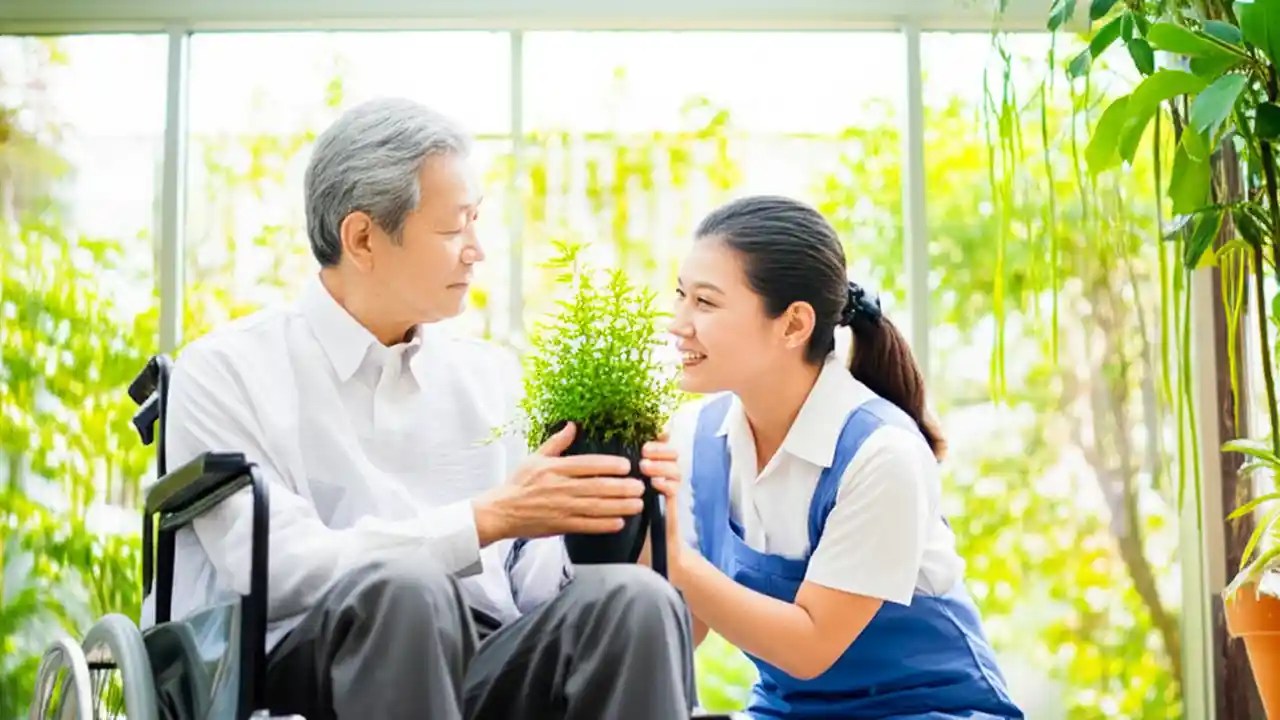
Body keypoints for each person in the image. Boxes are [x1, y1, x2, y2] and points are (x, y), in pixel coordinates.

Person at [150, 97, 695, 720]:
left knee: (631, 601)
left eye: (476, 221)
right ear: (362, 238)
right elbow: (276, 569)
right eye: (452, 227)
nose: (476, 250)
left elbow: (533, 584)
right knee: (404, 590)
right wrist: (486, 519)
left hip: (486, 658)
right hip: (307, 666)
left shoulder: (491, 375)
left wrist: (616, 514)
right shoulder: (225, 371)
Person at [647, 195, 1024, 719]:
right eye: (681, 296)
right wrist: (641, 546)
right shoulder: (700, 437)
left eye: (705, 303)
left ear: (793, 324)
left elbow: (809, 648)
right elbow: (693, 625)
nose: (677, 323)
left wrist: (678, 562)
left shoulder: (880, 453)